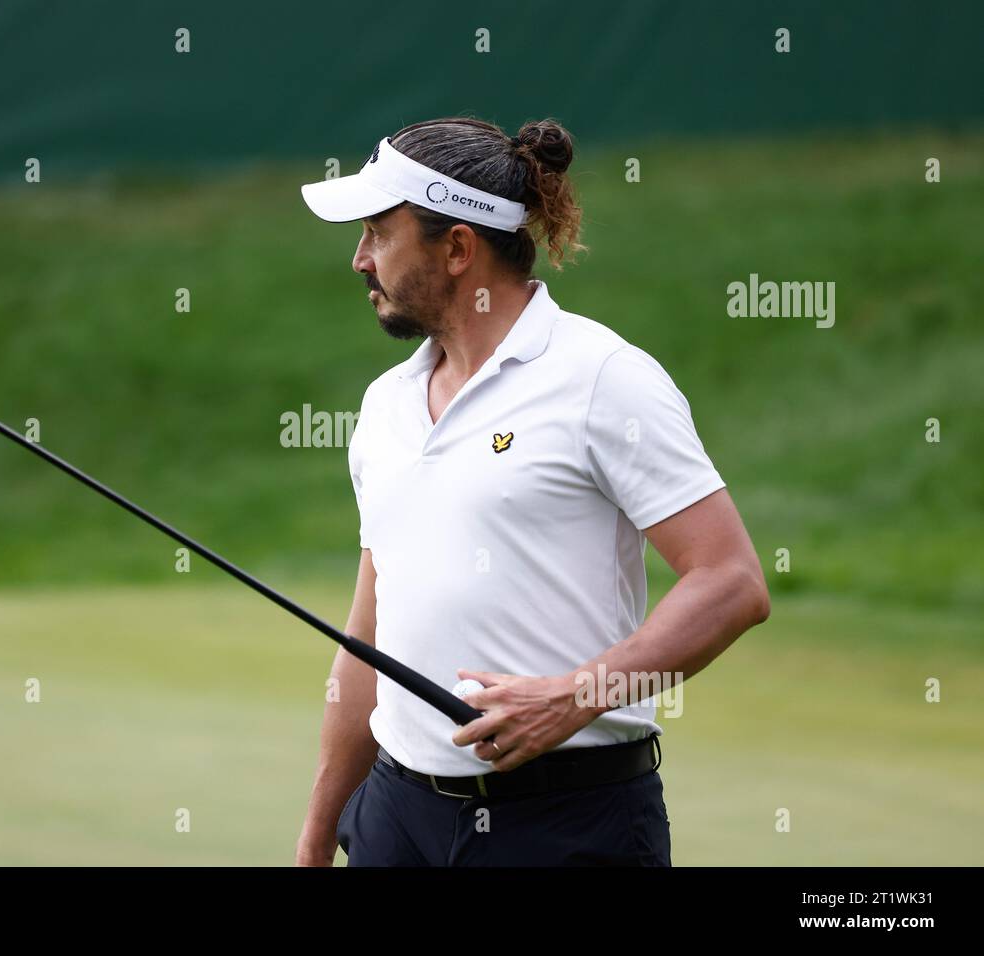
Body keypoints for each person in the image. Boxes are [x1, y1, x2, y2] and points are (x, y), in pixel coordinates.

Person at [293, 116, 770, 867]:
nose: (360, 259)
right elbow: (368, 638)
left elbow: (733, 582)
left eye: (379, 233)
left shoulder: (602, 379)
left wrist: (574, 697)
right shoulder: (385, 406)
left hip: (566, 824)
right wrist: (320, 835)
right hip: (394, 820)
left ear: (457, 248)